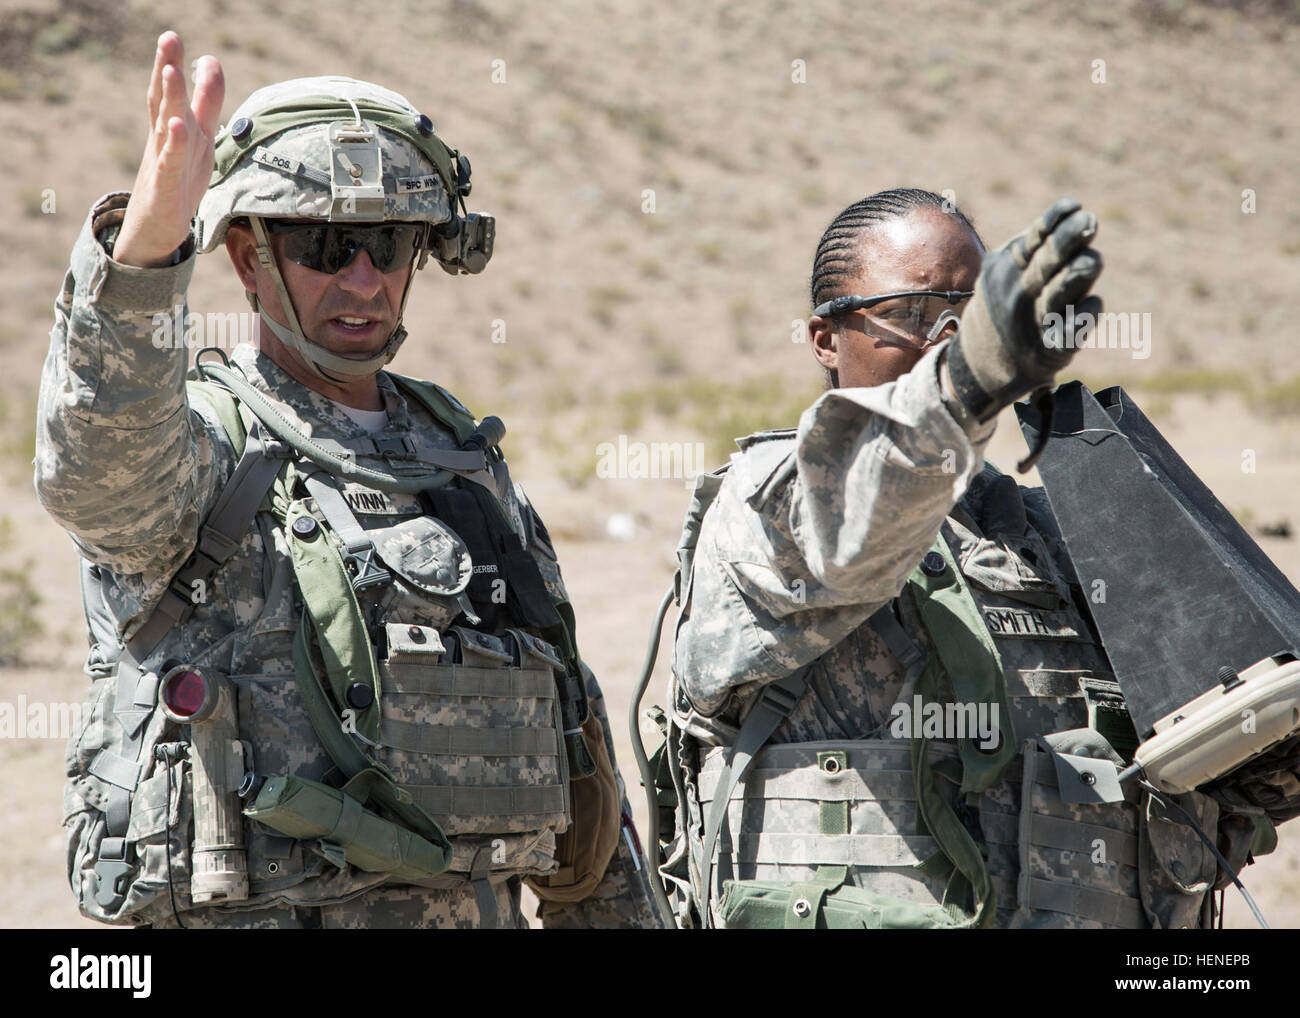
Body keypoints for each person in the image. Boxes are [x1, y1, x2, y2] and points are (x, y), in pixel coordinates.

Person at [37, 32, 660, 929]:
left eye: (387, 242)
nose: (362, 277)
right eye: (325, 245)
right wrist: (142, 262)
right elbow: (98, 477)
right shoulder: (209, 446)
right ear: (249, 260)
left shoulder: (460, 455)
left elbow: (570, 721)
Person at [659, 187, 1280, 929]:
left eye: (974, 313)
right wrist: (968, 380)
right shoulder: (772, 504)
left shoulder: (1051, 528)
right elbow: (855, 523)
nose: (948, 339)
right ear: (826, 338)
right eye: (917, 315)